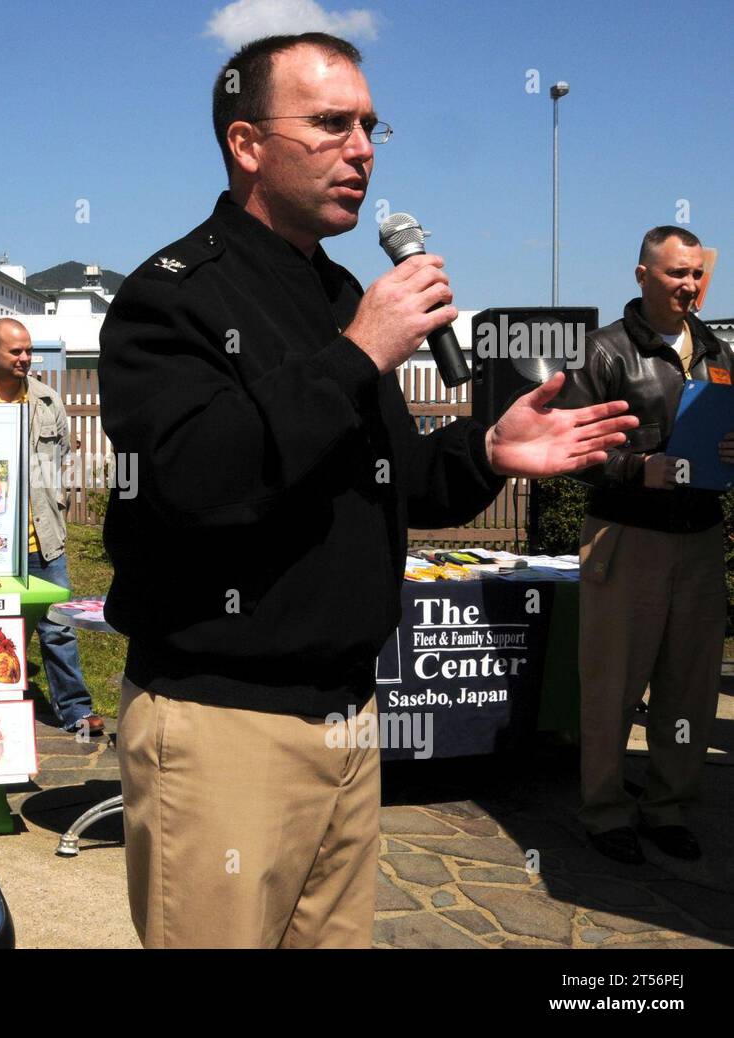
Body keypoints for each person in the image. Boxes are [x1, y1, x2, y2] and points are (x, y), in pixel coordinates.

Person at [98, 32, 637, 949]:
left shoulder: (338, 289)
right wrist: (358, 351)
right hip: (225, 727)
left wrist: (489, 452)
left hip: (353, 721)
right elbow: (197, 479)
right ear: (246, 143)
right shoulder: (173, 297)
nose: (363, 149)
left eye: (370, 125)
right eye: (330, 123)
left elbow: (394, 474)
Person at [556, 226, 734, 864]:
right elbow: (572, 450)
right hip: (627, 538)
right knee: (613, 683)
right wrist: (636, 466)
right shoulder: (602, 352)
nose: (688, 285)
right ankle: (605, 812)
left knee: (689, 684)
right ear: (641, 276)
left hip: (700, 537)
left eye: (695, 274)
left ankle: (665, 806)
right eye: (674, 274)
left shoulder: (718, 348)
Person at [0, 318, 105, 736]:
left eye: (29, 350)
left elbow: (64, 458)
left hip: (43, 538)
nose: (26, 358)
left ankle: (75, 710)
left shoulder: (48, 400)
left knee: (59, 628)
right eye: (16, 351)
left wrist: (59, 502)